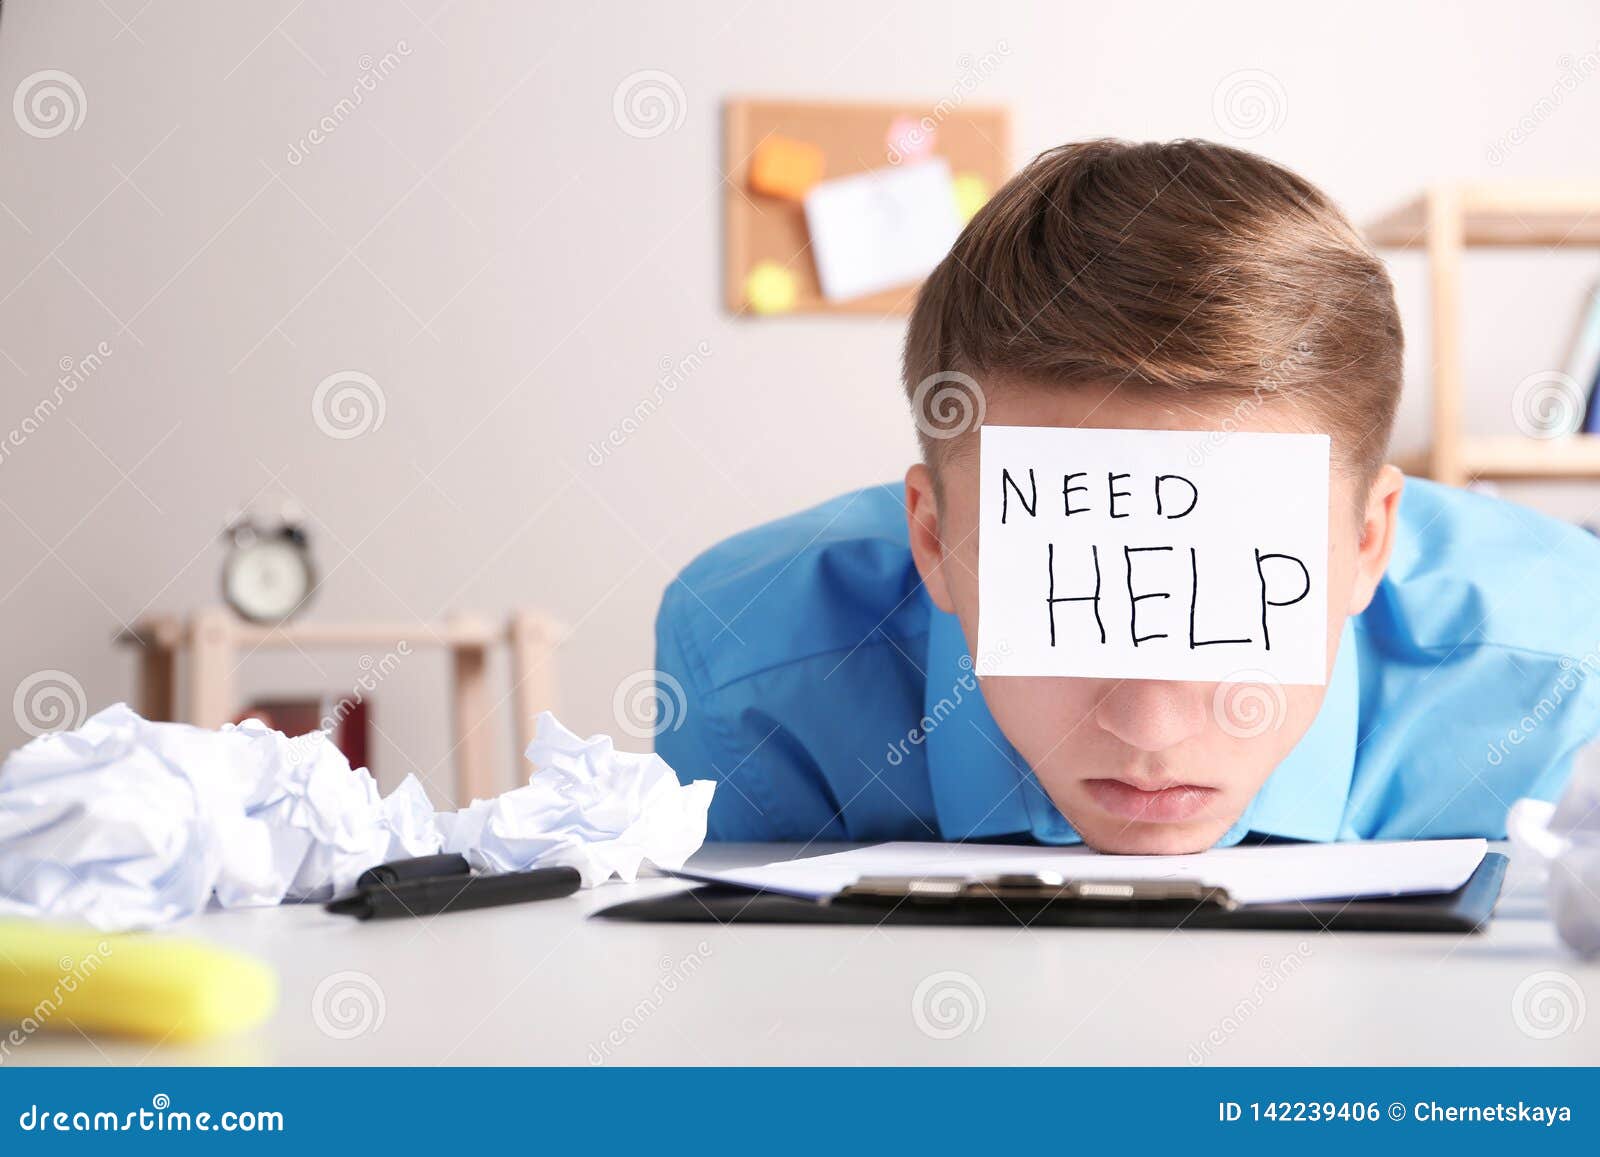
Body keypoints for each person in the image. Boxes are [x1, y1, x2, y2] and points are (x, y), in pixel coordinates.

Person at [655, 138, 1600, 853]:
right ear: (934, 538)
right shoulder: (753, 669)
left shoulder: (1559, 678)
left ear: (1365, 541)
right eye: (1064, 590)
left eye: (1234, 593)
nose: (1150, 729)